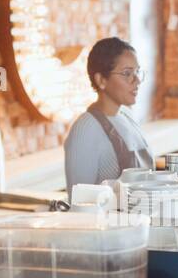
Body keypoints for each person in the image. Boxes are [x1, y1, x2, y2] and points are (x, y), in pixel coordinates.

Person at [63, 37, 154, 194]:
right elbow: (79, 203)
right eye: (127, 73)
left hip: (142, 218)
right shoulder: (85, 129)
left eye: (137, 72)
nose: (137, 80)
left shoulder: (126, 115)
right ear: (101, 80)